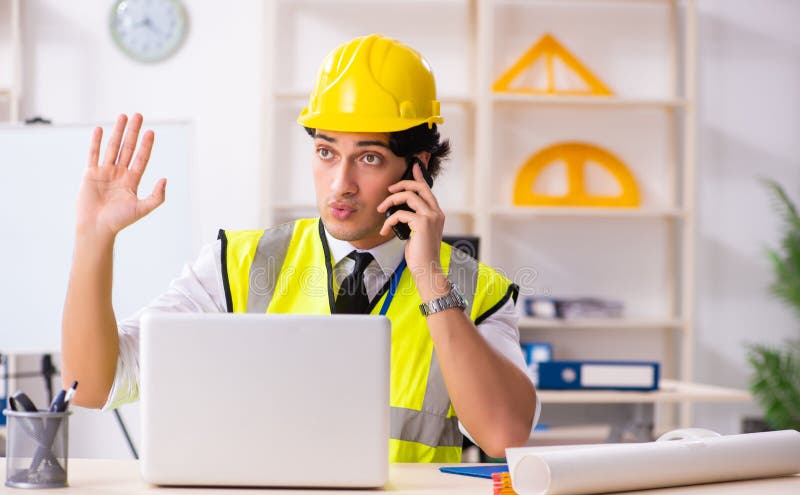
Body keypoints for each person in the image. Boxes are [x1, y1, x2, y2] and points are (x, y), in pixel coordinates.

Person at [61, 34, 538, 462]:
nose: (340, 184)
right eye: (326, 152)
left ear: (418, 168)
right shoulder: (239, 266)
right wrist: (93, 238)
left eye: (368, 158)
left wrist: (431, 279)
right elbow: (90, 386)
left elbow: (504, 436)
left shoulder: (474, 290)